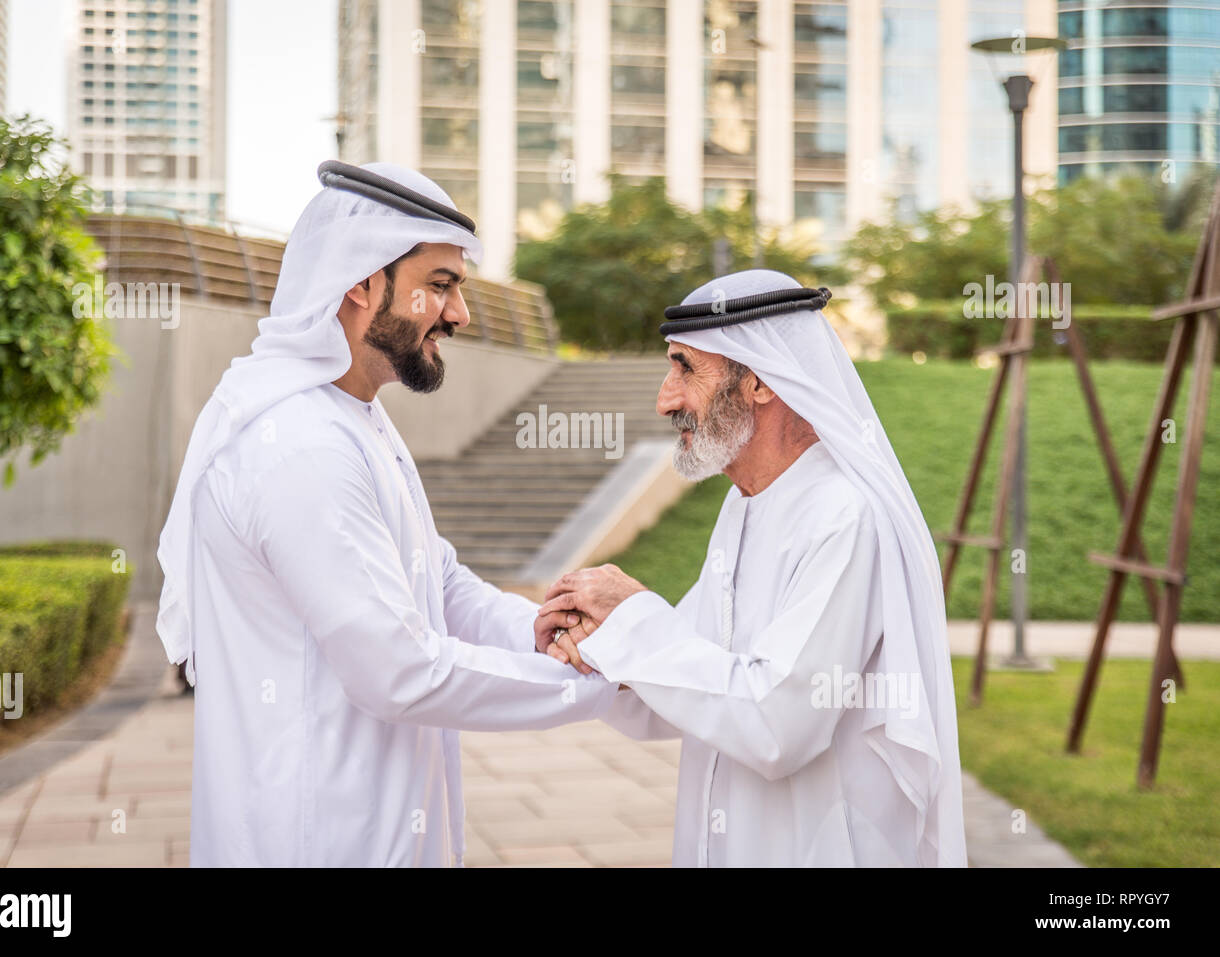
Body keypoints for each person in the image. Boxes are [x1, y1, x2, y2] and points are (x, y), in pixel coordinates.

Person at [155, 162, 616, 867]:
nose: (460, 314)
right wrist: (591, 682)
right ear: (363, 284)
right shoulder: (299, 444)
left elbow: (435, 574)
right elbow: (398, 668)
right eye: (439, 286)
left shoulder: (351, 417)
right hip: (318, 839)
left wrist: (535, 626)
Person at [538, 269, 967, 867]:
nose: (665, 398)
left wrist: (631, 619)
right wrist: (592, 644)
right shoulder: (745, 506)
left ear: (760, 382)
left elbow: (777, 725)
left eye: (685, 368)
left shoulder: (845, 516)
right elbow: (691, 681)